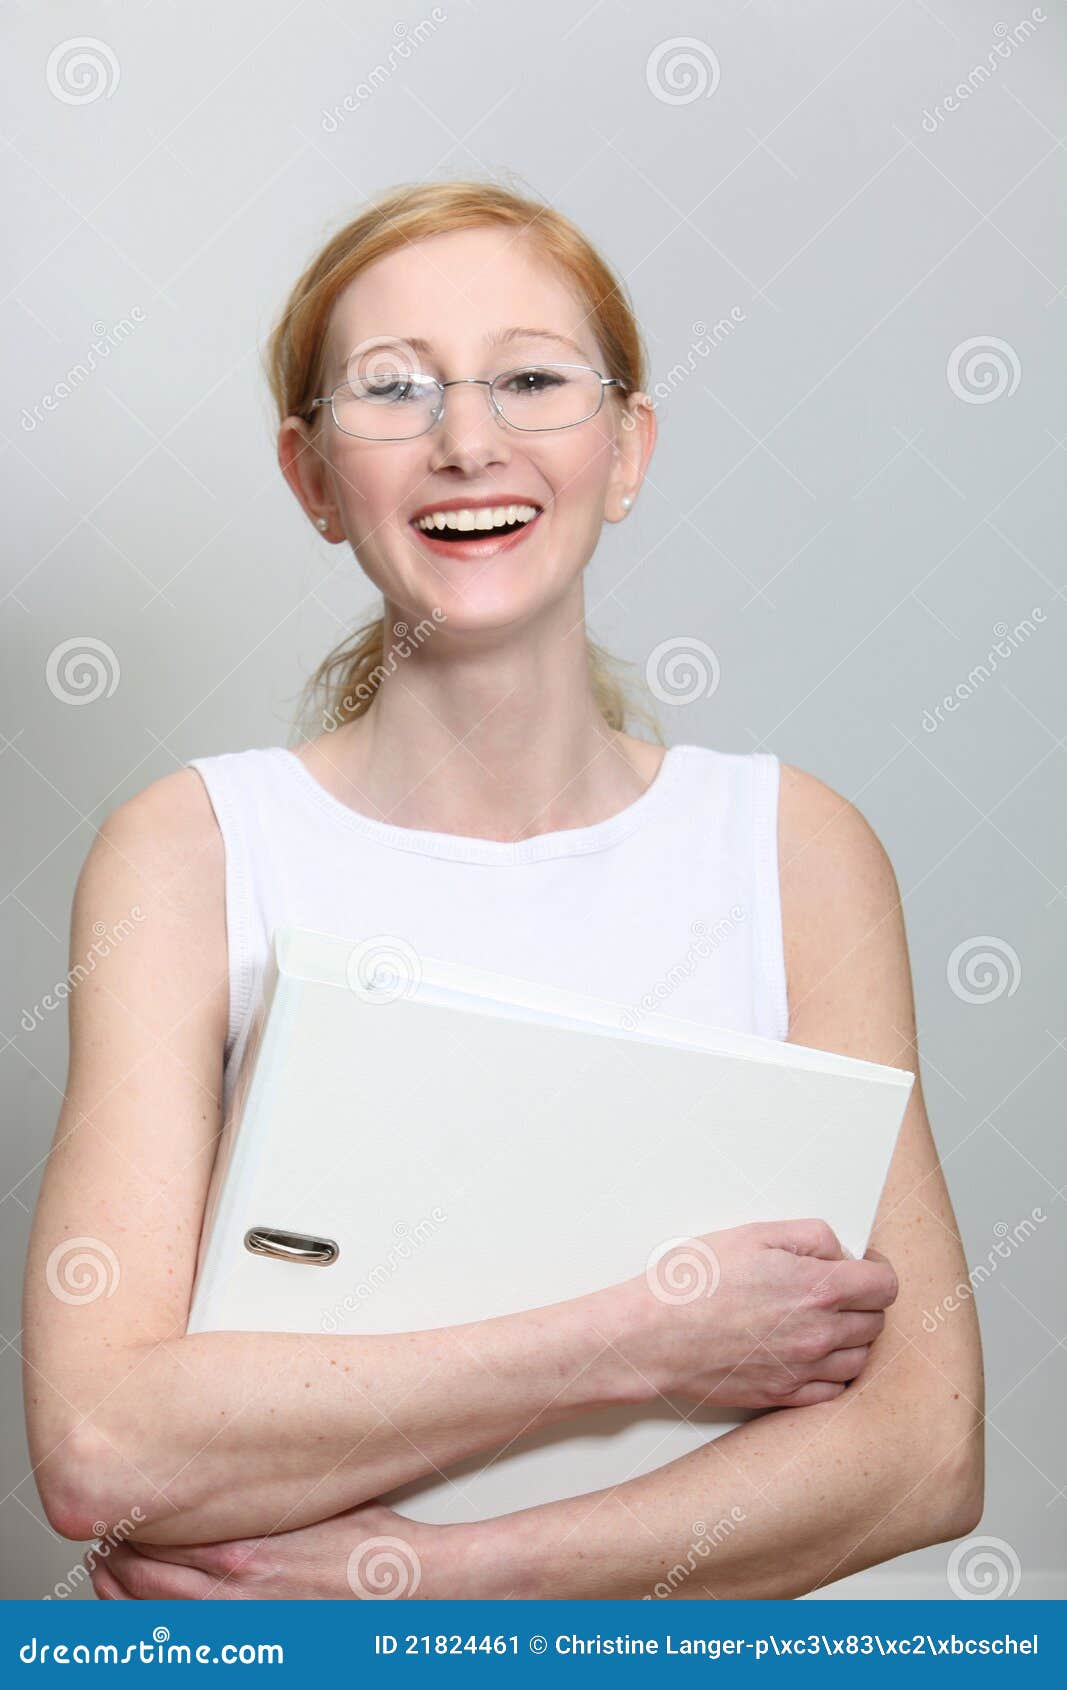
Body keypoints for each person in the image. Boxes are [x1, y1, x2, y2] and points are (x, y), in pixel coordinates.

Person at [23, 180, 983, 1601]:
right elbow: (102, 1443)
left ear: (629, 446)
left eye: (532, 379)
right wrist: (643, 1336)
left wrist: (436, 1576)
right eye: (392, 391)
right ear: (310, 475)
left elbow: (925, 1445)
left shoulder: (794, 847)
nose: (467, 441)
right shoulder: (187, 850)